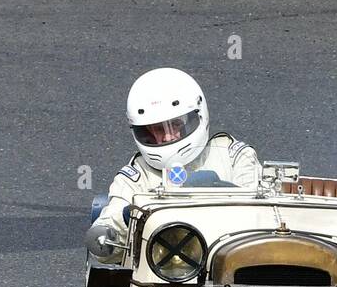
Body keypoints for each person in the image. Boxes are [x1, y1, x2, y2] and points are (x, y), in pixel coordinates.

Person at [85, 67, 260, 260]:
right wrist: (119, 225)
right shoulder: (137, 176)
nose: (168, 135)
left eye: (176, 125)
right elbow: (110, 224)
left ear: (198, 115)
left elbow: (258, 210)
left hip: (227, 262)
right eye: (157, 130)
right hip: (163, 272)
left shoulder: (234, 156)